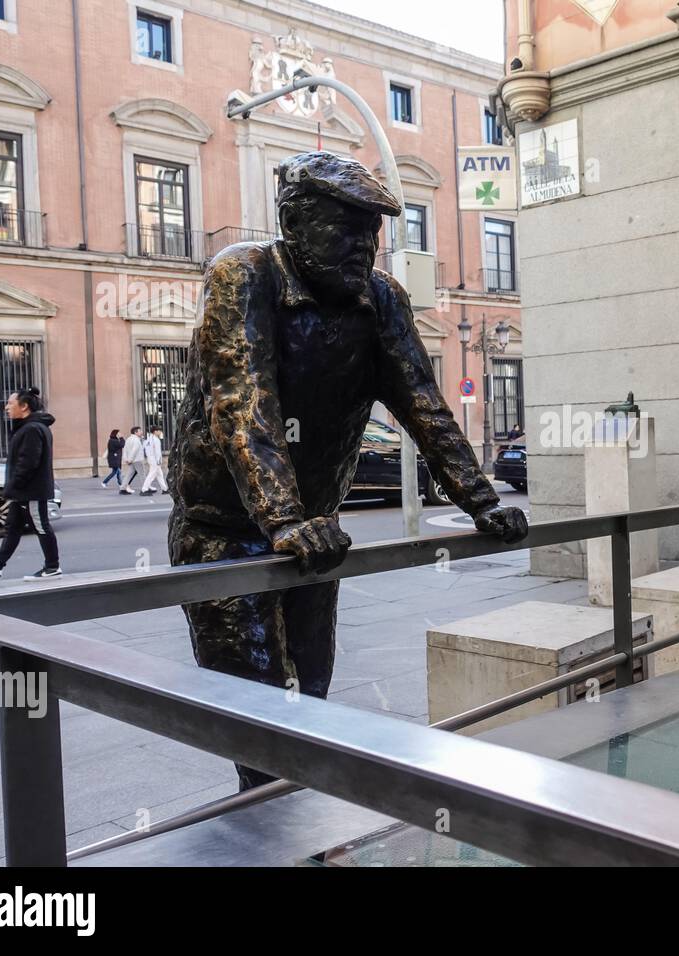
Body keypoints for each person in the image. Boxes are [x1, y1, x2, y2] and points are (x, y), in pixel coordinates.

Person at [167, 150, 527, 791]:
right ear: (294, 223)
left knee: (310, 687)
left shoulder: (380, 298)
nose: (364, 246)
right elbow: (243, 403)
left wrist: (481, 500)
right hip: (222, 527)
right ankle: (269, 829)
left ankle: (298, 823)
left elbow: (421, 401)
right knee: (254, 701)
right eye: (346, 228)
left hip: (313, 531)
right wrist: (283, 518)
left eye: (371, 232)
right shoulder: (244, 274)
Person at [0, 387, 61, 580]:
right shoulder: (28, 427)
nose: (6, 407)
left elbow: (28, 462)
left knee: (41, 526)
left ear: (24, 407)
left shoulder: (32, 429)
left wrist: (14, 485)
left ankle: (52, 567)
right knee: (13, 527)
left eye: (10, 403)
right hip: (24, 490)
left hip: (32, 491)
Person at [140, 426, 168, 496]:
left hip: (151, 458)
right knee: (151, 475)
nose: (160, 432)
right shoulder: (156, 440)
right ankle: (144, 489)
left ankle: (164, 489)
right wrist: (159, 461)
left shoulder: (148, 439)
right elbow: (157, 452)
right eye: (159, 431)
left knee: (159, 474)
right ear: (155, 431)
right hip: (155, 460)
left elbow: (144, 448)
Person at [120, 426, 144, 495]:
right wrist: (130, 459)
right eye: (140, 431)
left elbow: (125, 450)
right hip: (137, 460)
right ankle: (145, 489)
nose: (141, 432)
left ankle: (123, 488)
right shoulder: (136, 440)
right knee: (142, 474)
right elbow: (134, 450)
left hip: (131, 460)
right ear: (135, 432)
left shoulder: (128, 439)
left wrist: (126, 459)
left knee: (129, 475)